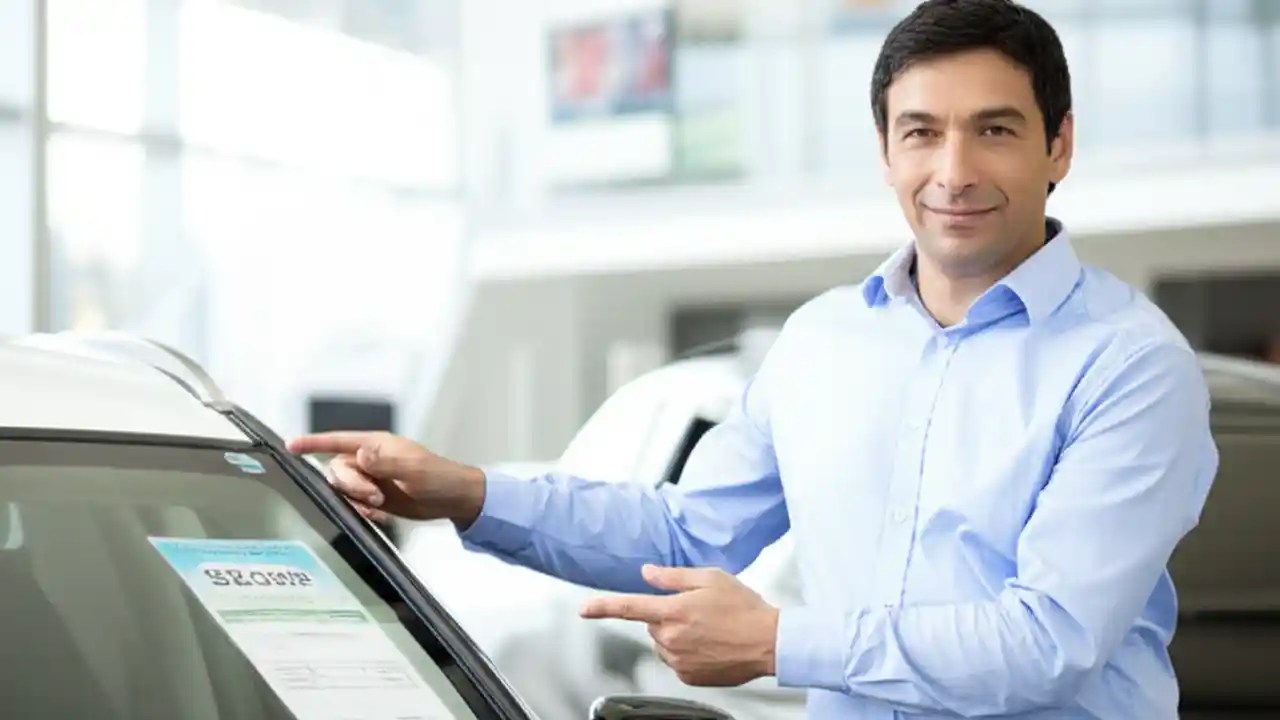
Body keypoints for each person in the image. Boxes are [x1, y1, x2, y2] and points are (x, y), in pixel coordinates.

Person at [290, 1, 1218, 717]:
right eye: (922, 131)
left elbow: (1049, 638)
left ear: (1060, 144)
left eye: (997, 129)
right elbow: (689, 533)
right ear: (887, 153)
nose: (955, 169)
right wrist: (468, 492)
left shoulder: (1130, 366)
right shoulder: (821, 343)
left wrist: (779, 641)